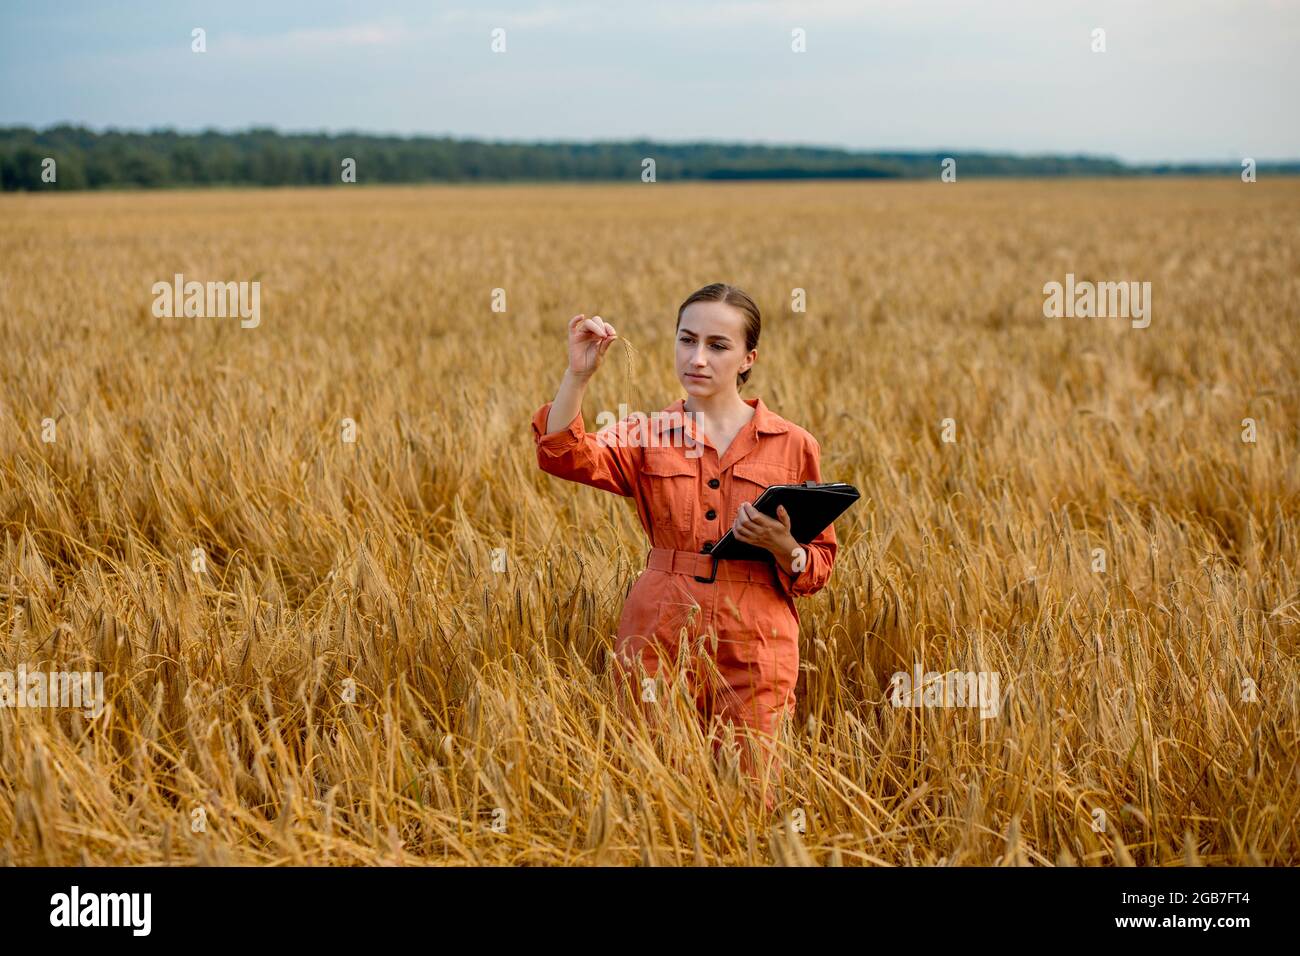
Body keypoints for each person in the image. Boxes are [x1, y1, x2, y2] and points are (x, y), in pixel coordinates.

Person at [530, 282, 837, 811]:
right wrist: (578, 376)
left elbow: (820, 564)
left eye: (718, 345)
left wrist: (786, 547)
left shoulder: (793, 444)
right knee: (655, 793)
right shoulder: (646, 433)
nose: (698, 358)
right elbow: (563, 454)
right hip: (659, 626)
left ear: (748, 358)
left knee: (754, 796)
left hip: (758, 633)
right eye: (687, 340)